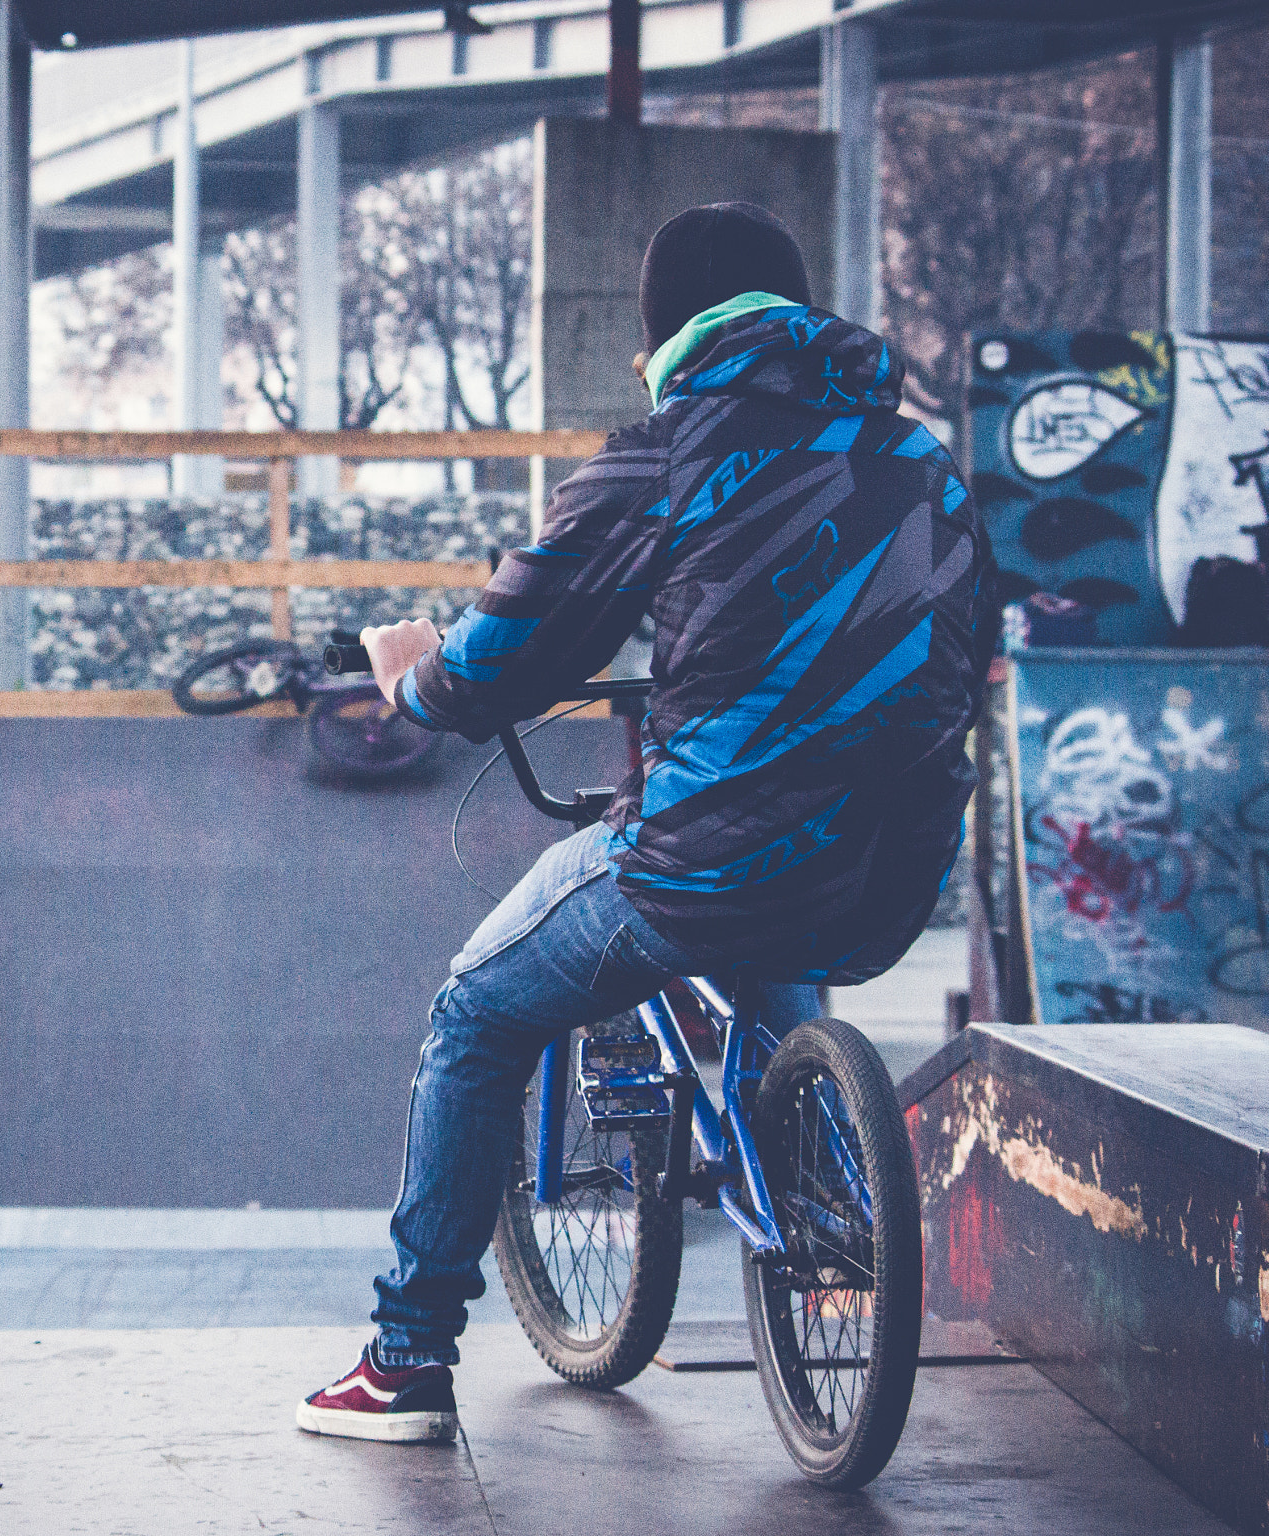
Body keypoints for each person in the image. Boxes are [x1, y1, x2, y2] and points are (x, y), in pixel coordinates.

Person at [295, 202, 995, 1443]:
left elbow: (503, 662)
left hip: (705, 857)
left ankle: (403, 1361)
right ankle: (816, 1200)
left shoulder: (671, 448)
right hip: (884, 864)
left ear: (667, 328)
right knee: (771, 917)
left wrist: (412, 673)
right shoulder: (919, 459)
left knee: (474, 1008)